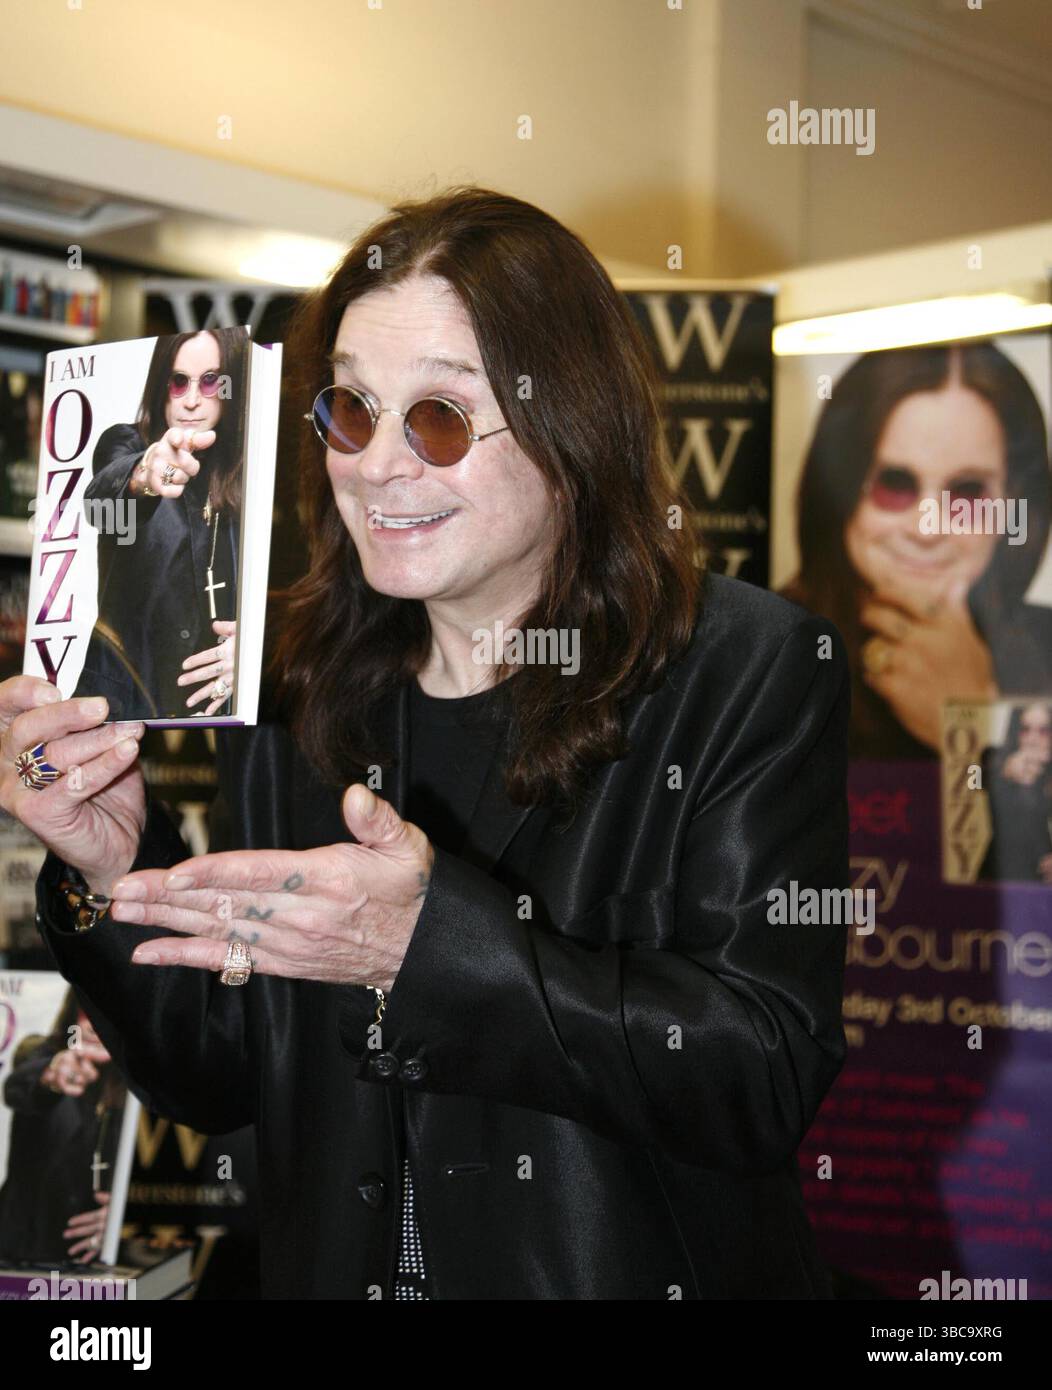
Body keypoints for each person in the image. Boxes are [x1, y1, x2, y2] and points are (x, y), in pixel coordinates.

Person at [8, 186, 850, 1300]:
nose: (379, 465)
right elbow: (219, 1074)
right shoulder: (298, 683)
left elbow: (760, 1070)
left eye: (440, 419)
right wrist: (112, 866)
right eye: (351, 410)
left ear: (570, 428)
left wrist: (428, 952)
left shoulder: (740, 668)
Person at [782, 342, 1052, 758]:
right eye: (894, 484)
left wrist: (978, 719)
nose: (927, 529)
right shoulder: (765, 649)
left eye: (967, 494)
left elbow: (1030, 824)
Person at [70, 327, 247, 720]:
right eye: (178, 382)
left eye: (211, 381)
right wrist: (144, 474)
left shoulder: (252, 473)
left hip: (217, 719)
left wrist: (253, 650)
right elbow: (102, 502)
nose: (191, 401)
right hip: (120, 705)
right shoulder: (125, 444)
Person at [0, 992, 121, 1265]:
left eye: (109, 1010)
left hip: (101, 1263)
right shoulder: (42, 1053)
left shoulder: (143, 1089)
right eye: (86, 1009)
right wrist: (52, 1075)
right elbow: (18, 1088)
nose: (93, 1023)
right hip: (24, 1257)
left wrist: (120, 1218)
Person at [978, 700, 1052, 884]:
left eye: (1043, 731)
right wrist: (1004, 771)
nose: (1033, 739)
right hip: (999, 881)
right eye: (1025, 729)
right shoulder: (996, 759)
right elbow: (970, 780)